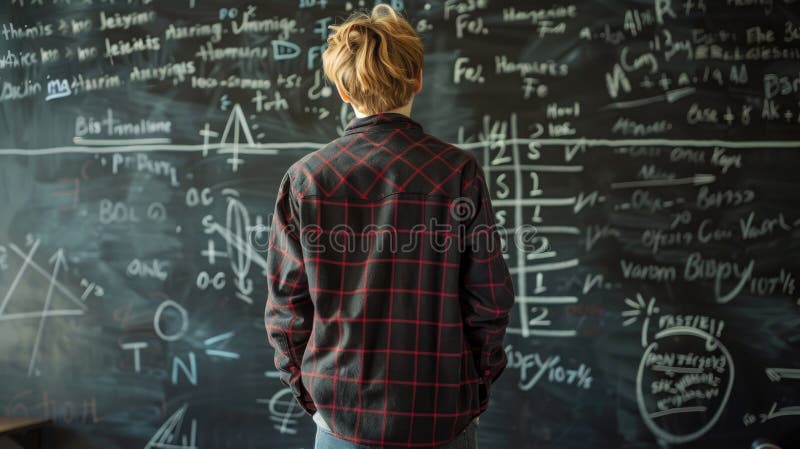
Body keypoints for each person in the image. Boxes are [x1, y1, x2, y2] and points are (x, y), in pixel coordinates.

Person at [264, 4, 515, 449]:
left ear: (342, 88)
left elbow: (287, 313)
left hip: (341, 419)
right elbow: (489, 302)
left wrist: (313, 394)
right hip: (442, 418)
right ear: (418, 79)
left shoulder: (306, 179)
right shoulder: (458, 172)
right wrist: (473, 387)